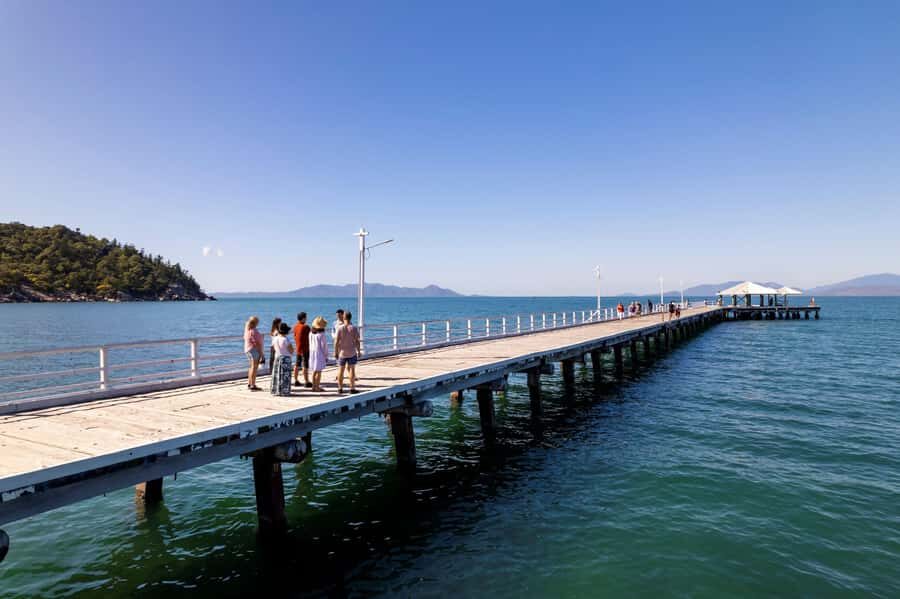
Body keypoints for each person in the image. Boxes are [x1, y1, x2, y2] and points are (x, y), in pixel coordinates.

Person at [335, 310, 361, 394]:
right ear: (351, 317)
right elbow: (357, 341)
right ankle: (352, 388)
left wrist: (335, 352)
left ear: (344, 317)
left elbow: (336, 341)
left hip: (342, 353)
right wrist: (359, 351)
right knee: (352, 370)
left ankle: (340, 388)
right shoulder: (354, 328)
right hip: (352, 352)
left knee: (340, 371)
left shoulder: (340, 328)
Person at [270, 322, 294, 396]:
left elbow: (274, 348)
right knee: (285, 375)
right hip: (285, 358)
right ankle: (284, 390)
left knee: (277, 374)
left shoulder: (275, 338)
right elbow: (291, 350)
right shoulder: (285, 339)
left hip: (278, 357)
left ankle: (276, 390)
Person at [243, 316, 264, 391]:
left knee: (251, 367)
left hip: (248, 349)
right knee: (254, 367)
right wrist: (262, 354)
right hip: (254, 350)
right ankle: (253, 384)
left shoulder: (248, 330)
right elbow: (257, 343)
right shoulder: (254, 331)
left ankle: (250, 383)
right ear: (256, 323)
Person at [309, 316, 328, 392]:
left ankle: (313, 386)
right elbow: (324, 346)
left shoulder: (311, 333)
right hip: (319, 353)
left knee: (314, 370)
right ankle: (317, 387)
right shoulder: (321, 335)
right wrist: (326, 355)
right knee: (319, 371)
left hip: (312, 352)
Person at [292, 312, 311, 387]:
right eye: (306, 317)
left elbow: (295, 336)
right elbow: (310, 336)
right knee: (305, 365)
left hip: (298, 348)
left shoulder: (295, 326)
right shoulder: (306, 327)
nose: (306, 319)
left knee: (297, 364)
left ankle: (296, 380)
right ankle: (306, 381)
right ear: (303, 318)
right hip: (305, 348)